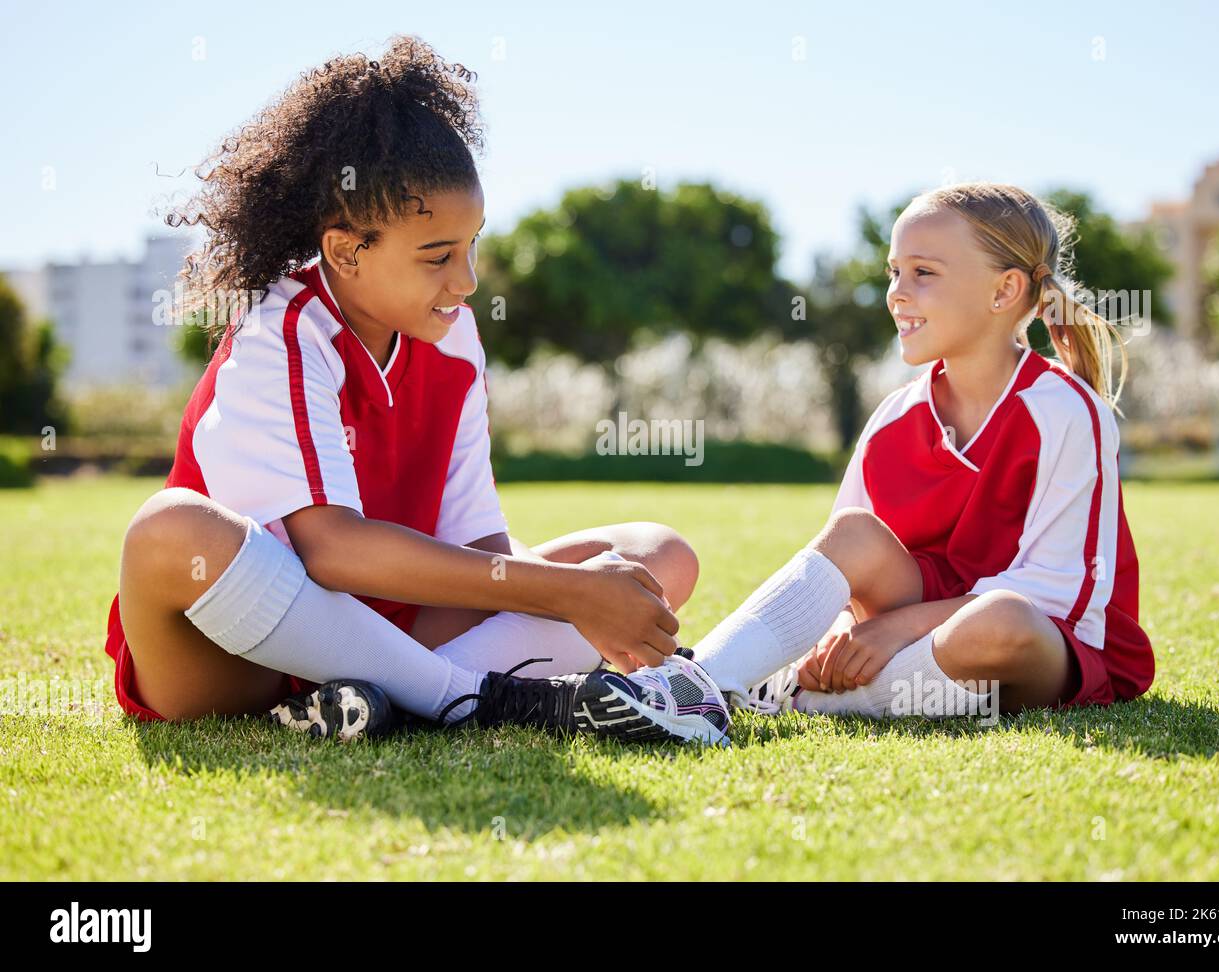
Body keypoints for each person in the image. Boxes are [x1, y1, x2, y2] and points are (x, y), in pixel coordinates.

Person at [102, 36, 730, 745]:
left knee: (656, 554)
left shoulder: (454, 336)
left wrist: (590, 590)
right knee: (167, 530)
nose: (464, 282)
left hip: (386, 627)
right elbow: (332, 553)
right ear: (345, 250)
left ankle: (382, 700)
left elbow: (480, 541)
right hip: (227, 659)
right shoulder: (285, 333)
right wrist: (566, 595)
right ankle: (467, 697)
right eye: (437, 256)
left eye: (472, 247)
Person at [688, 182, 1154, 722]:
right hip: (917, 629)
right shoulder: (893, 418)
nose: (896, 293)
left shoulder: (1067, 410)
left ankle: (808, 698)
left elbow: (1058, 593)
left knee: (1002, 622)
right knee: (853, 531)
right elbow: (844, 574)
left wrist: (897, 628)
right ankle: (694, 681)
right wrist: (841, 631)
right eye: (894, 272)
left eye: (923, 273)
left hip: (1042, 644)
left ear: (1004, 292)